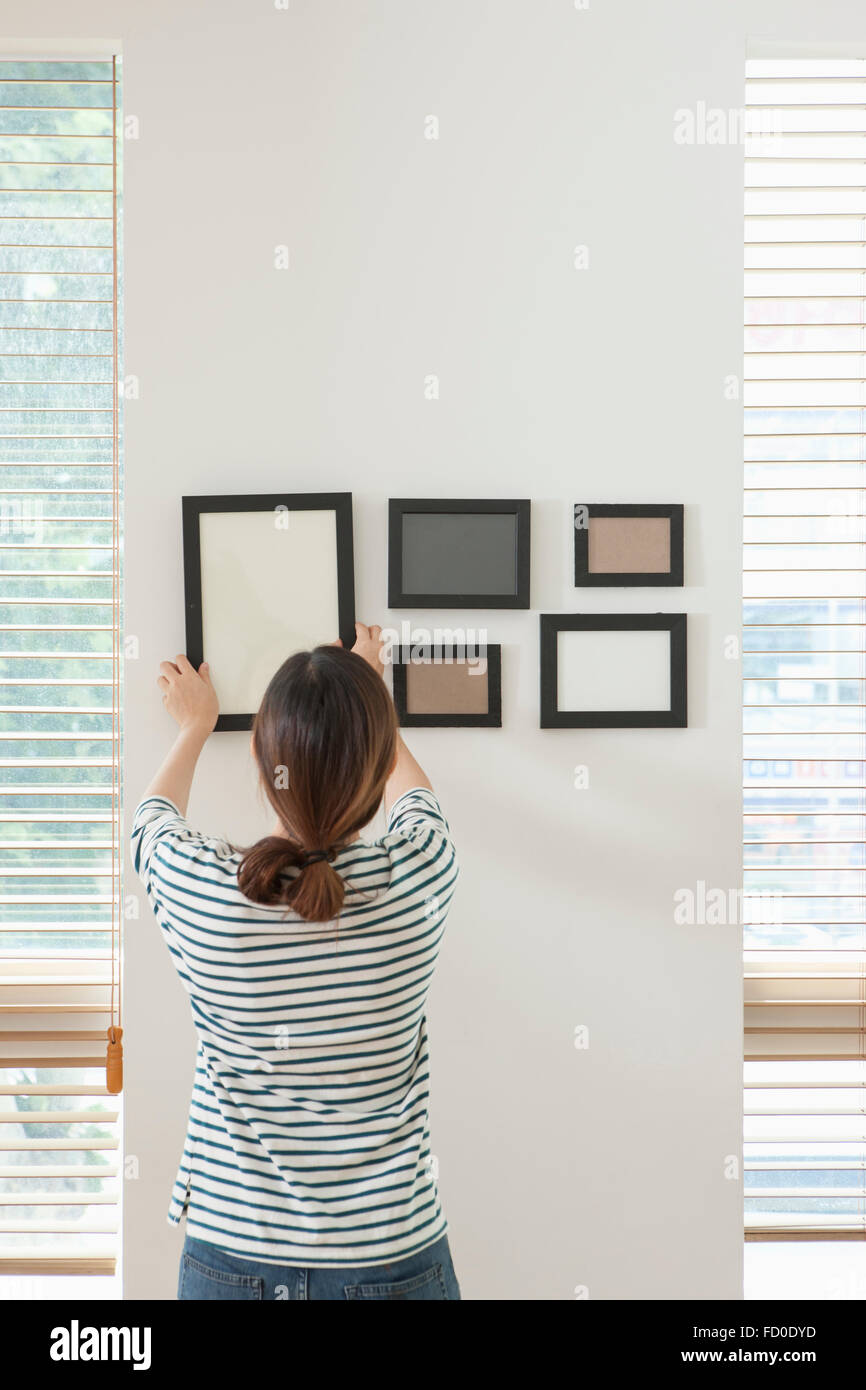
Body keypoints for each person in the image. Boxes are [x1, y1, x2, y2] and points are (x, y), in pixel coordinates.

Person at [131, 623, 461, 1300]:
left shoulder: (207, 896)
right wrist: (368, 696)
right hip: (393, 1255)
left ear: (261, 760)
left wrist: (195, 725)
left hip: (233, 1254)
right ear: (371, 769)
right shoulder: (420, 875)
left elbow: (150, 823)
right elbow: (419, 804)